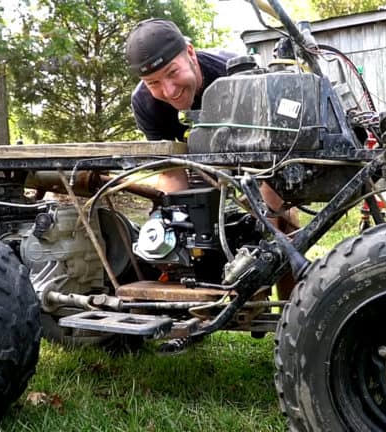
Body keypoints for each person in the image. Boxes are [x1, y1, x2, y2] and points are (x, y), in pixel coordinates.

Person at [125, 18, 298, 352]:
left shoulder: (235, 78)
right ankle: (194, 316)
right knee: (181, 231)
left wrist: (266, 228)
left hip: (253, 158)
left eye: (173, 73)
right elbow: (172, 173)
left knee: (284, 228)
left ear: (190, 53)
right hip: (194, 164)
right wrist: (182, 231)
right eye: (154, 82)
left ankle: (293, 317)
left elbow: (271, 166)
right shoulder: (145, 102)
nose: (168, 91)